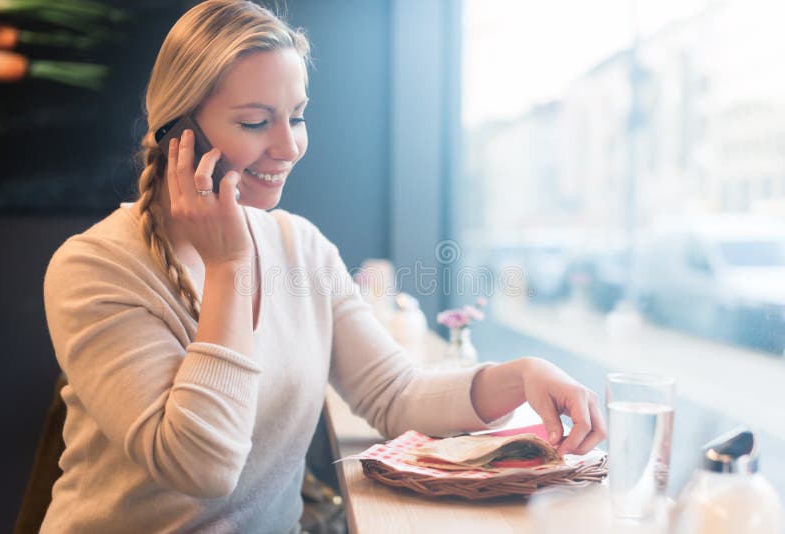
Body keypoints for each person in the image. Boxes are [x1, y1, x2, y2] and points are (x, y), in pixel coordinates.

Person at [40, 1, 606, 532]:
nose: (289, 147)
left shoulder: (300, 248)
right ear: (180, 136)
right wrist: (230, 267)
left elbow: (394, 394)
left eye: (297, 116)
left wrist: (522, 375)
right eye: (257, 122)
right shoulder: (95, 269)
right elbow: (203, 468)